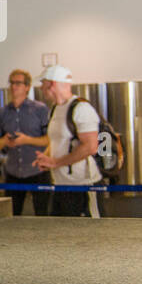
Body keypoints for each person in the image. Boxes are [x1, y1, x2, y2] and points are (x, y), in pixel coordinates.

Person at [32, 65, 101, 218]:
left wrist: (55, 163)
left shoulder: (82, 108)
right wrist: (46, 158)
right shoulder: (55, 109)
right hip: (60, 184)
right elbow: (56, 141)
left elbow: (91, 146)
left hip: (82, 185)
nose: (42, 88)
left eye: (44, 83)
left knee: (87, 234)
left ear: (53, 84)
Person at [0, 69, 50, 215]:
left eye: (18, 83)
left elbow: (49, 140)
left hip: (37, 170)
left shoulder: (40, 110)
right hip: (13, 171)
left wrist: (26, 140)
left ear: (27, 87)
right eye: (11, 83)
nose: (13, 86)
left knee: (44, 215)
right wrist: (4, 141)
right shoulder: (2, 113)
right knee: (11, 216)